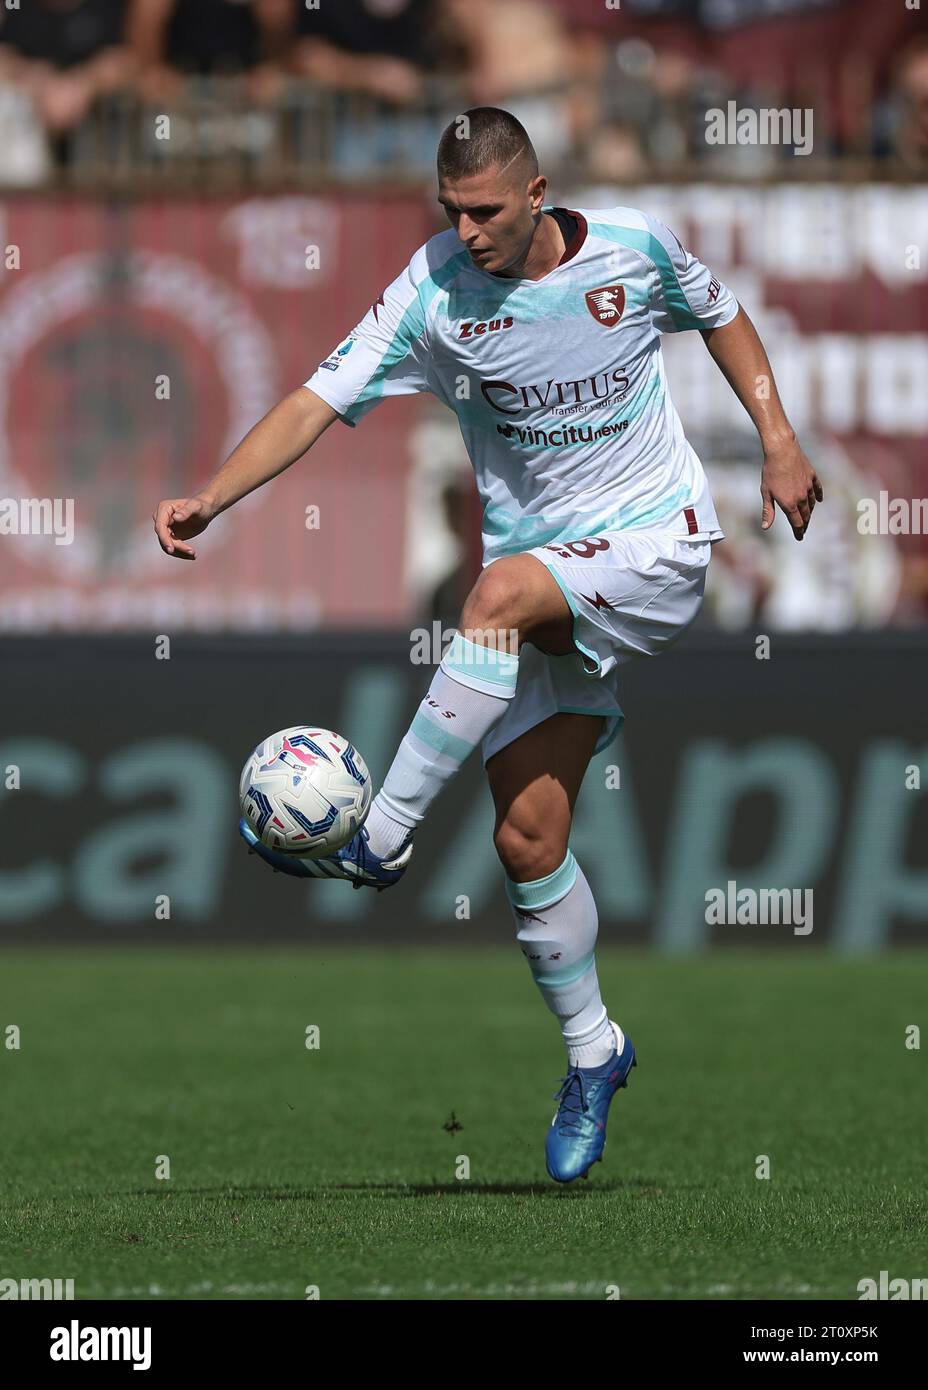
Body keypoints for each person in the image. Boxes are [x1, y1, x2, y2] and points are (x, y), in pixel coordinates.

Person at [153, 107, 822, 1184]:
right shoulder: (430, 290)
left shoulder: (633, 251)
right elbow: (315, 401)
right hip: (543, 583)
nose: (464, 232)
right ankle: (595, 1050)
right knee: (527, 841)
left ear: (536, 192)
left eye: (482, 212)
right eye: (448, 211)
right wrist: (212, 498)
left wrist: (778, 442)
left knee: (497, 590)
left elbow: (724, 314)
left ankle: (384, 832)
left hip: (655, 544)